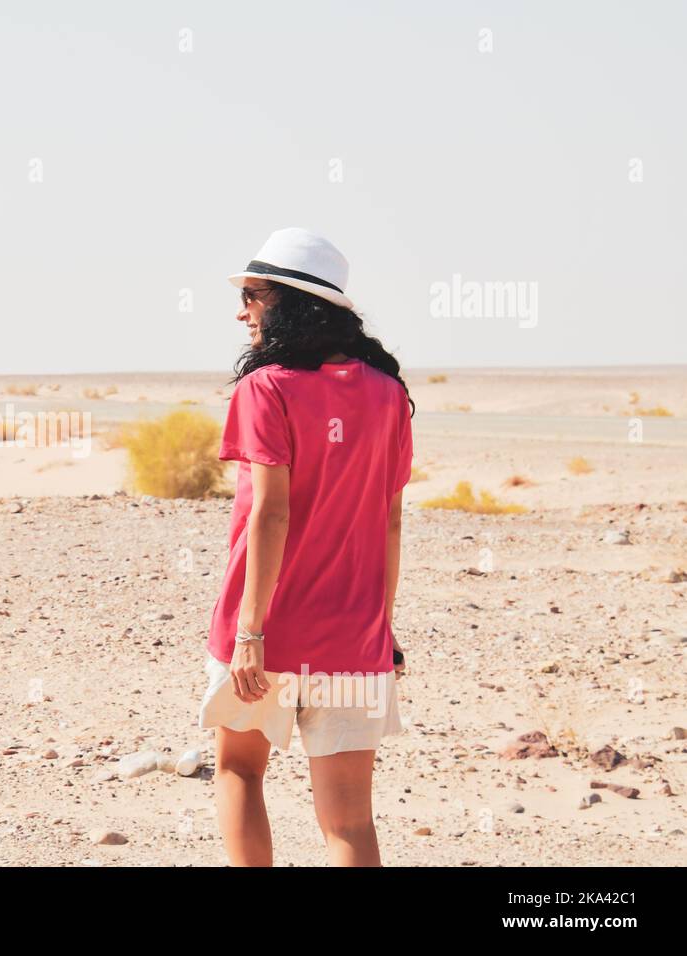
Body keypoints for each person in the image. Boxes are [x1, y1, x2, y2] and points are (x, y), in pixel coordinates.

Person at [197, 227, 415, 866]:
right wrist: (384, 628)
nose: (243, 311)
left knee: (239, 772)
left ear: (289, 302)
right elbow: (390, 522)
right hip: (354, 635)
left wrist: (250, 633)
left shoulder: (265, 389)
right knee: (350, 819)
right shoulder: (388, 394)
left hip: (267, 628)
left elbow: (271, 514)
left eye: (254, 297)